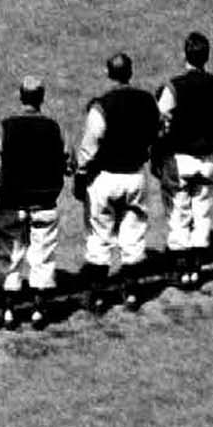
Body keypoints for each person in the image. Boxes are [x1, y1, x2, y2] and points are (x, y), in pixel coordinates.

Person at [75, 54, 161, 287]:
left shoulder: (101, 106)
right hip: (136, 176)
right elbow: (157, 133)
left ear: (107, 73)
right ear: (130, 72)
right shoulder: (147, 101)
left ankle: (98, 295)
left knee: (99, 239)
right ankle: (132, 293)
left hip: (105, 179)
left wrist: (80, 177)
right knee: (133, 238)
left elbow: (89, 148)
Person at [156, 33, 213, 273]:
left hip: (180, 160)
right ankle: (198, 263)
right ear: (207, 56)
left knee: (178, 209)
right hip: (209, 159)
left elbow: (160, 124)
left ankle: (182, 267)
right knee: (202, 210)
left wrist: (157, 155)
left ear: (185, 55)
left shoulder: (174, 87)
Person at [0, 78, 70, 302]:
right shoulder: (55, 128)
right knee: (43, 259)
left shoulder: (3, 128)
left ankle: (9, 311)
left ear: (21, 96)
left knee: (10, 258)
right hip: (44, 204)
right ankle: (39, 310)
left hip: (11, 204)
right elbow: (70, 163)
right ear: (42, 97)